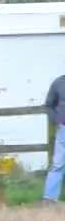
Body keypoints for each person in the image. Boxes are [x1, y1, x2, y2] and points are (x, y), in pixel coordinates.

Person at [42, 72, 65, 203]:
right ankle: (49, 199)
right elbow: (49, 105)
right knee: (58, 164)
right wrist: (57, 119)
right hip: (64, 129)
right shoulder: (58, 83)